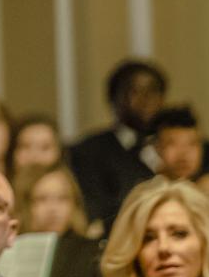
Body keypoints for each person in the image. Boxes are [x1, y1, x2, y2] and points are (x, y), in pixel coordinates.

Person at [69, 59, 166, 229]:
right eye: (135, 91)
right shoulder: (88, 152)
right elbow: (96, 212)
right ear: (114, 98)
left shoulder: (173, 146)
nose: (146, 99)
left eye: (153, 90)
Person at [14, 164, 101, 277]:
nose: (53, 209)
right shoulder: (11, 252)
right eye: (41, 199)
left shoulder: (93, 252)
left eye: (62, 198)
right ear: (26, 205)